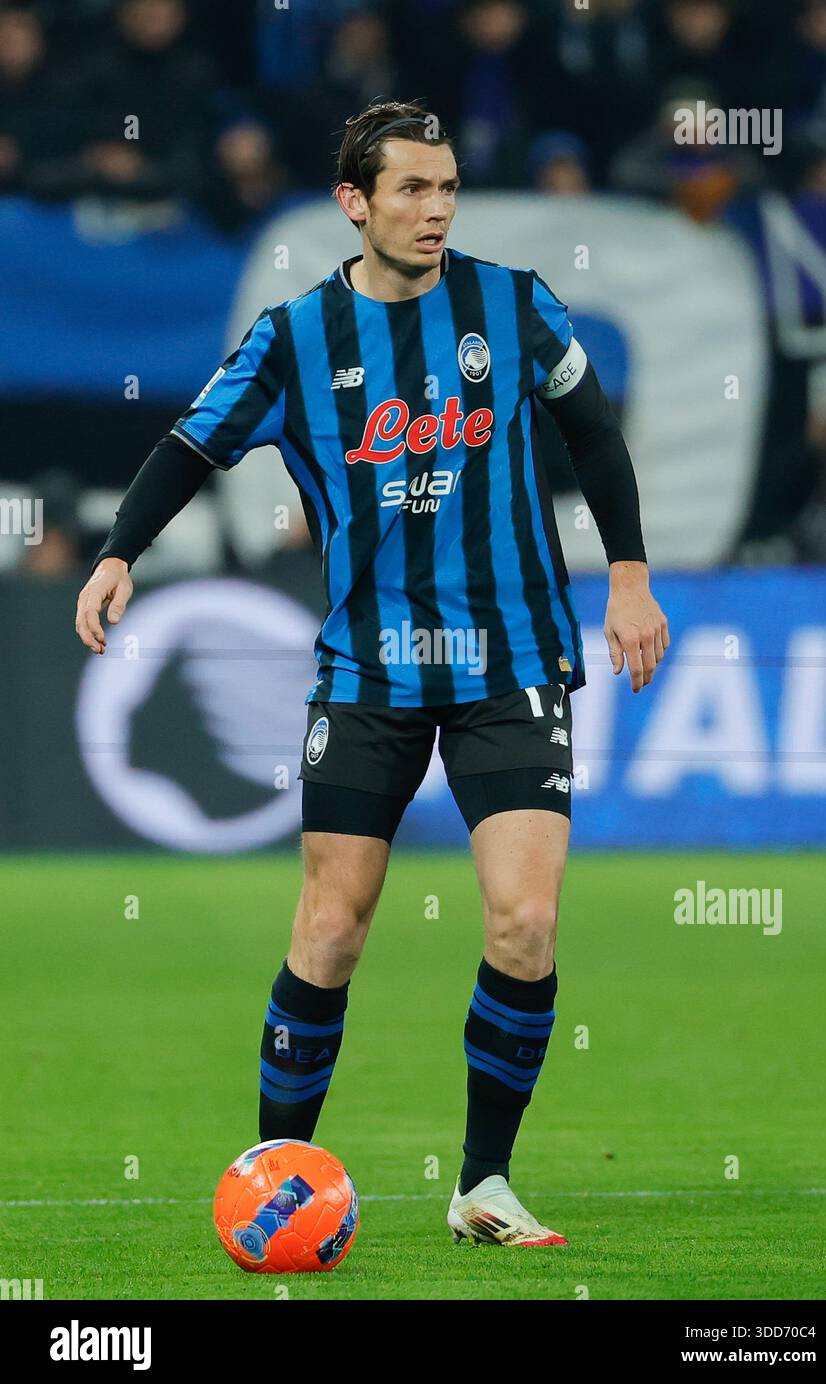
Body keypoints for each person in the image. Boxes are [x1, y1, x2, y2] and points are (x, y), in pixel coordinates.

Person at [75, 100, 669, 1248]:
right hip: (367, 667)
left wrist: (630, 576)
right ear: (355, 203)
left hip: (512, 657)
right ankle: (275, 1172)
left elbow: (593, 432)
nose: (435, 208)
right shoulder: (295, 336)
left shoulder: (511, 302)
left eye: (446, 187)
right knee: (331, 927)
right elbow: (189, 444)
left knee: (524, 921)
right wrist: (116, 554)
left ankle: (482, 1184)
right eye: (410, 189)